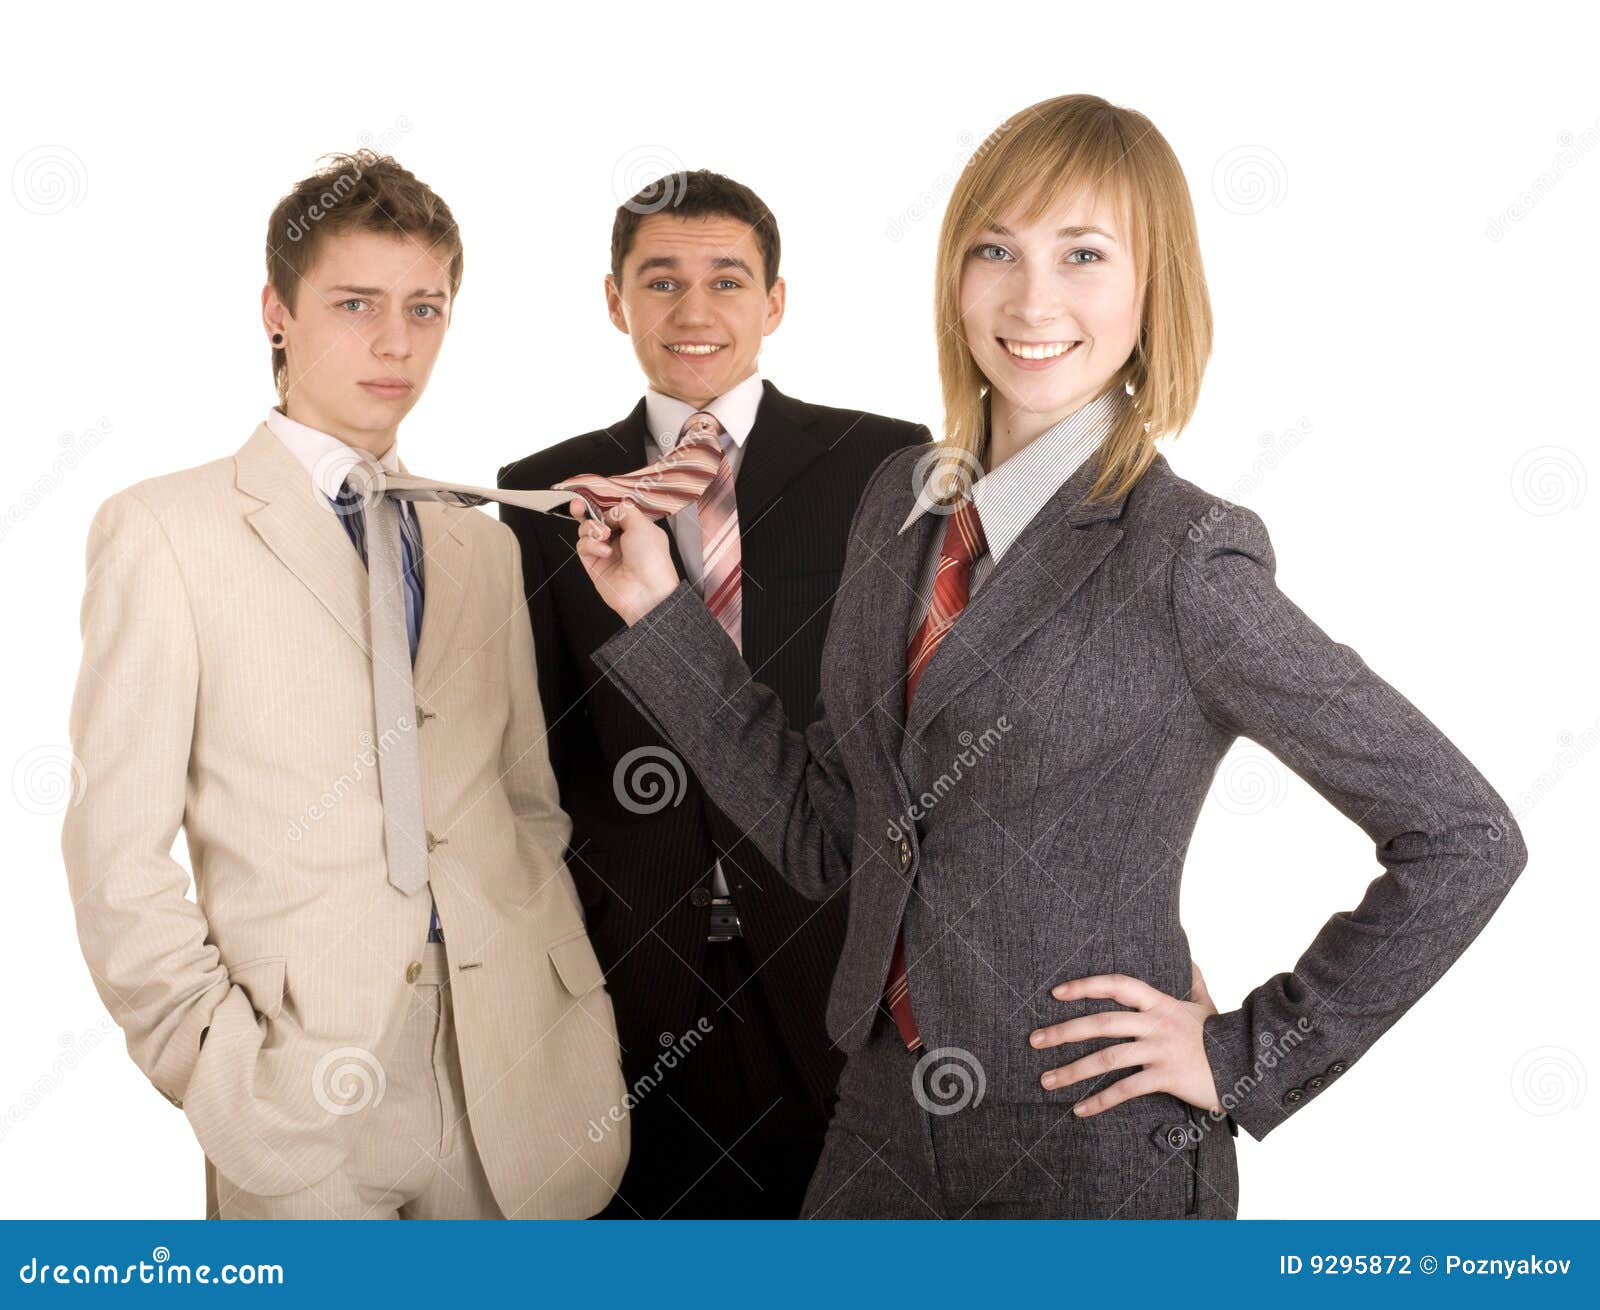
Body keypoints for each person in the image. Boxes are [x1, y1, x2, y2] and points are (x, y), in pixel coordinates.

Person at [564, 96, 1529, 1219]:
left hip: (1091, 1147)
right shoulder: (900, 505)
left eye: (1082, 254)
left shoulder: (1185, 556)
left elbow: (1463, 835)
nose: (1031, 299)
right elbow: (830, 828)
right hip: (879, 1117)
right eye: (995, 250)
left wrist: (1245, 1051)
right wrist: (658, 612)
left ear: (1150, 285)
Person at [60, 150, 627, 1220]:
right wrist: (211, 1056)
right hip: (295, 1081)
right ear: (276, 310)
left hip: (510, 1064)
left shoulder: (481, 545)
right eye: (355, 303)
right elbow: (113, 846)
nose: (395, 341)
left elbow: (524, 806)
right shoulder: (165, 531)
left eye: (426, 307)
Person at [497, 169, 929, 1217]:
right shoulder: (542, 491)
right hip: (632, 978)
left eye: (726, 279)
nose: (694, 311)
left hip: (838, 971)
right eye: (661, 281)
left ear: (774, 302)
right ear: (615, 301)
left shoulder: (885, 463)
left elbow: (918, 720)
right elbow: (539, 748)